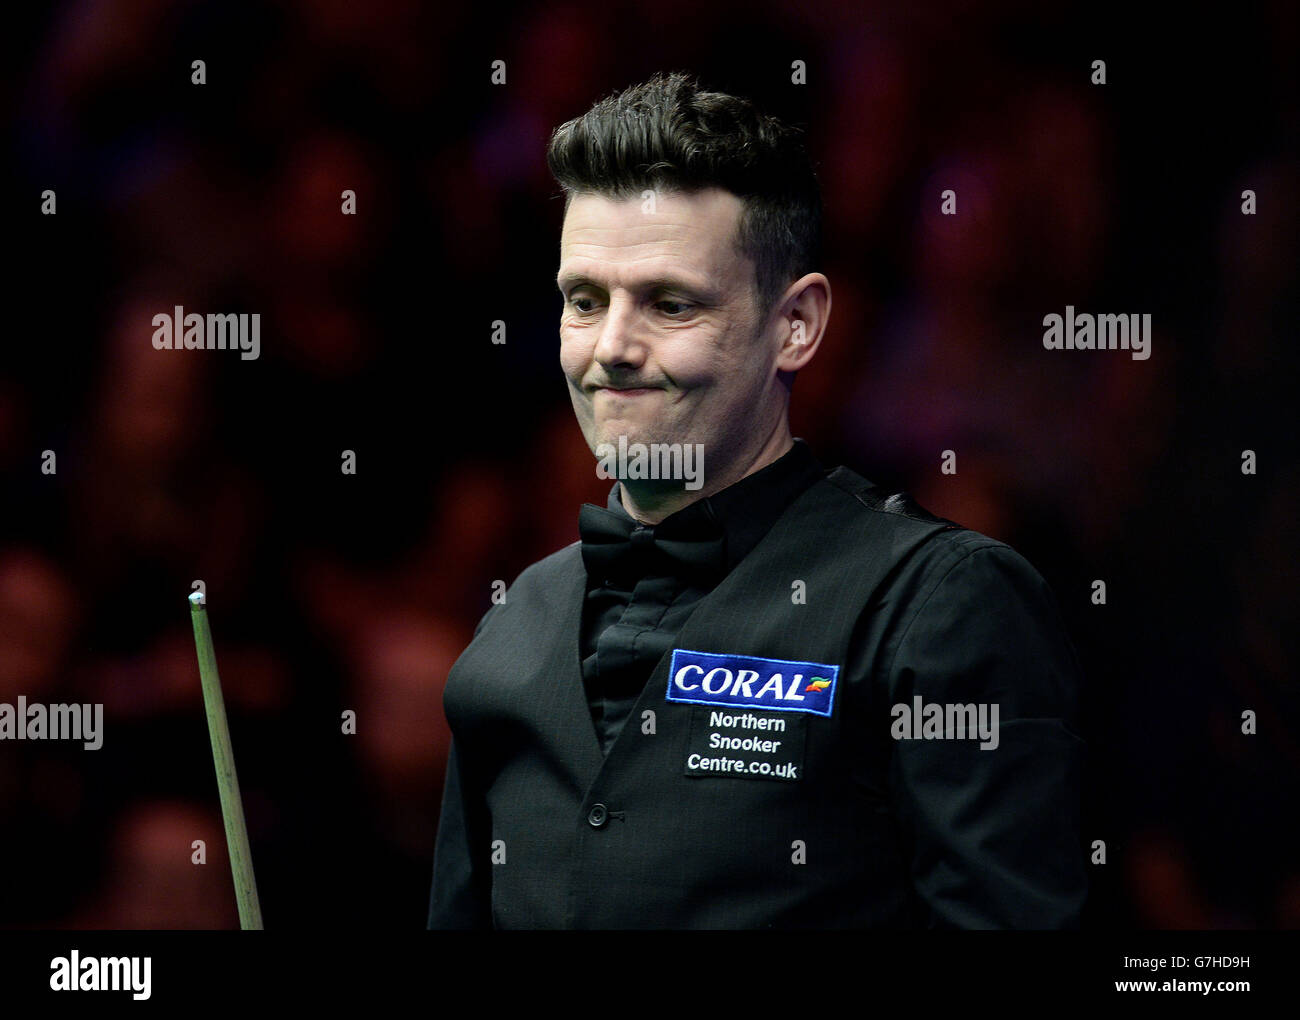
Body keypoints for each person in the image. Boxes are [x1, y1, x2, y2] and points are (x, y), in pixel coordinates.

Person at [427, 71, 1086, 929]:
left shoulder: (937, 606)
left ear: (797, 325)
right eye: (584, 302)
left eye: (669, 303)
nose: (612, 348)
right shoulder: (510, 631)